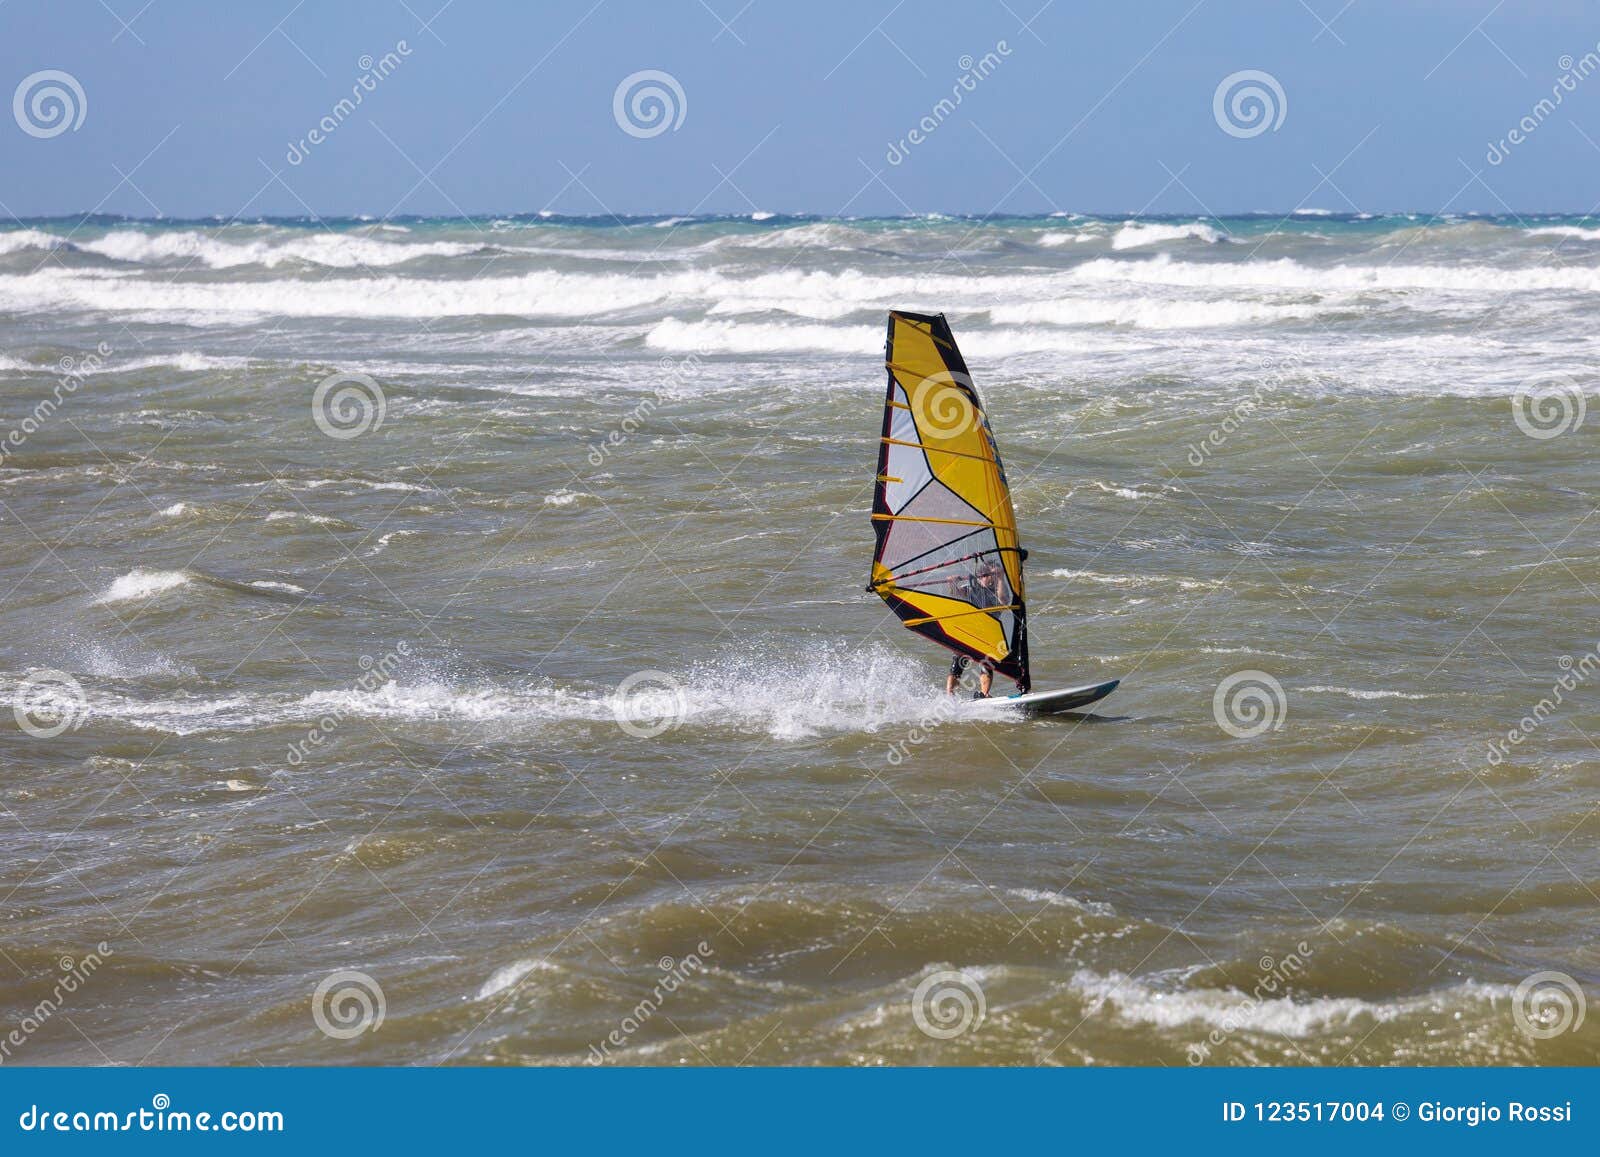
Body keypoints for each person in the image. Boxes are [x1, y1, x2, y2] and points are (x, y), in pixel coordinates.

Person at [944, 561, 1012, 699]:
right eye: (988, 575)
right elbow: (955, 593)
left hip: (988, 632)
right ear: (981, 576)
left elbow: (1004, 601)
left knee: (987, 662)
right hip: (969, 631)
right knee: (959, 660)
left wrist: (1000, 577)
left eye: (993, 576)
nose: (990, 579)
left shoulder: (998, 589)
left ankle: (984, 694)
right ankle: (950, 695)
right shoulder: (971, 588)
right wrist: (952, 583)